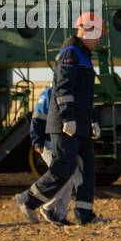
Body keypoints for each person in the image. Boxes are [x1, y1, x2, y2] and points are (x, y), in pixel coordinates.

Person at [15, 12, 106, 226]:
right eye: (97, 34)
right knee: (63, 169)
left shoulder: (84, 56)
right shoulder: (70, 53)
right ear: (86, 31)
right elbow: (63, 88)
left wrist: (92, 120)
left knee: (87, 170)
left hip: (81, 125)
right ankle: (27, 200)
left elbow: (86, 96)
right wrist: (67, 118)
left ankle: (85, 215)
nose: (99, 40)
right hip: (66, 125)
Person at [29, 84, 83, 224]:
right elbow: (38, 117)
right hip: (48, 143)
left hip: (62, 144)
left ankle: (60, 215)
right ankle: (48, 208)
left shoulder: (68, 91)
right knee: (63, 175)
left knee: (69, 176)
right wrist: (37, 141)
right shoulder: (49, 92)